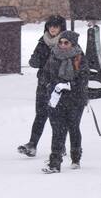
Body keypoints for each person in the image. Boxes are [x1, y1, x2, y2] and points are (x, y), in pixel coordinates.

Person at [39, 30, 89, 174]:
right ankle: (55, 163)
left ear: (72, 43)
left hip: (75, 100)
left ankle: (75, 157)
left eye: (66, 42)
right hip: (56, 99)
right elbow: (46, 74)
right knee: (58, 131)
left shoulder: (79, 58)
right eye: (61, 42)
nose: (62, 45)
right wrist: (49, 86)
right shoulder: (54, 55)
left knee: (73, 128)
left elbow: (83, 79)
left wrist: (69, 86)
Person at [18, 14, 66, 158]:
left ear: (60, 28)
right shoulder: (42, 41)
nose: (52, 29)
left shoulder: (66, 43)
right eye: (50, 26)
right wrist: (35, 61)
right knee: (40, 115)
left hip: (58, 86)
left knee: (56, 118)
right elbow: (34, 60)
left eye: (55, 26)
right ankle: (32, 145)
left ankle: (61, 146)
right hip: (43, 83)